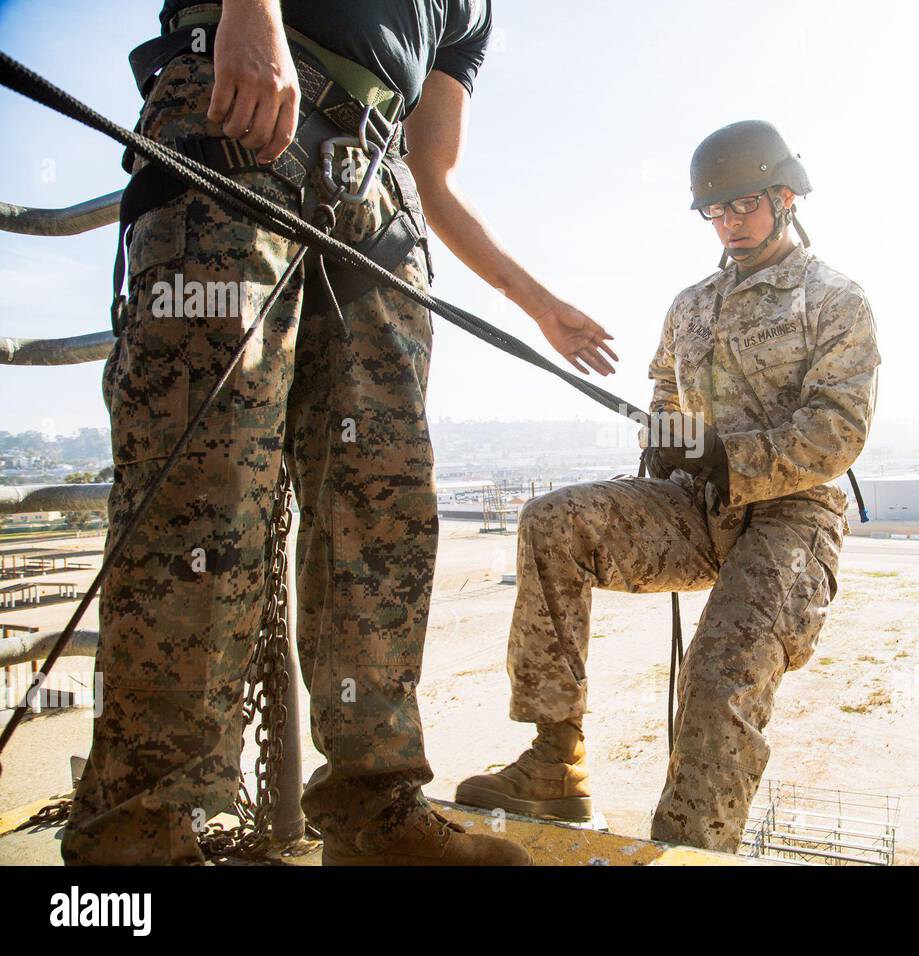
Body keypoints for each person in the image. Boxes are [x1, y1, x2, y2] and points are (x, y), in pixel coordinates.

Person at [63, 0, 616, 866]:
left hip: (379, 198)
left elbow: (437, 179)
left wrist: (539, 306)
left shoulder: (468, 11)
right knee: (204, 491)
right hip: (243, 107)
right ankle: (136, 835)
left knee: (385, 512)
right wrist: (250, 11)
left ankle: (374, 808)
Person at [455, 120, 881, 852]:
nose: (727, 223)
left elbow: (840, 429)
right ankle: (557, 763)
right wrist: (665, 438)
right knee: (553, 523)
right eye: (714, 212)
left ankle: (688, 847)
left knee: (720, 674)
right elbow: (664, 387)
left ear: (785, 196)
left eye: (741, 205)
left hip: (791, 517)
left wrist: (731, 457)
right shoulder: (691, 305)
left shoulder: (835, 300)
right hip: (698, 511)